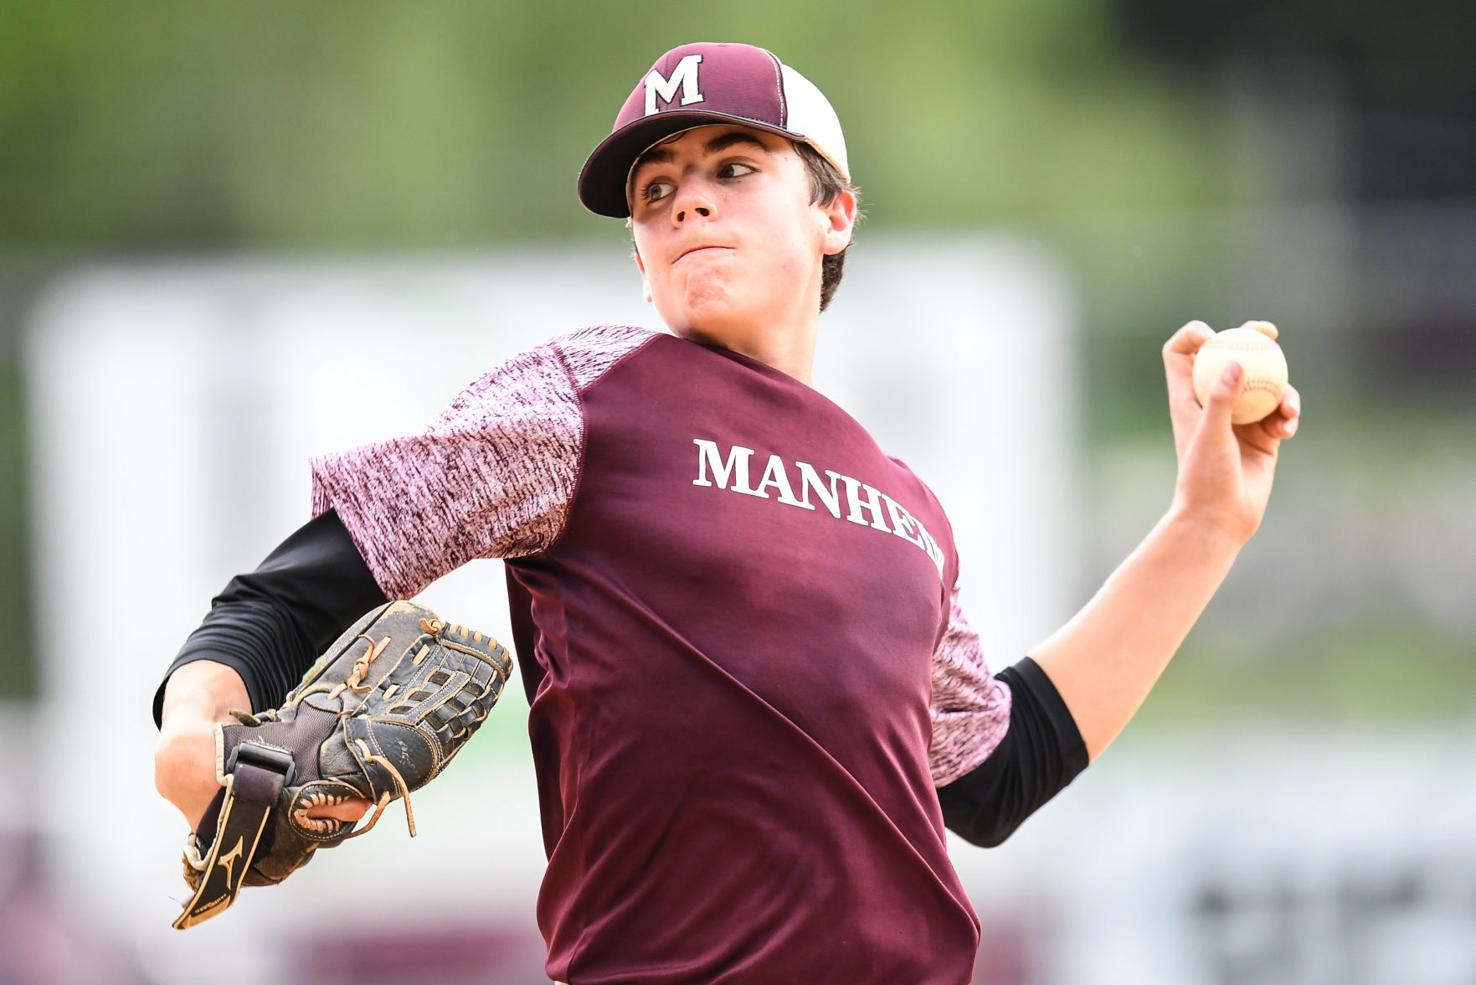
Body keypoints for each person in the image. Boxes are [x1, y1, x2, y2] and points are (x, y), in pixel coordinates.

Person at [152, 41, 1301, 984]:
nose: (687, 199)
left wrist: (1205, 527)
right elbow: (298, 588)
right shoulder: (584, 400)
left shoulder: (904, 507)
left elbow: (991, 777)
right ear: (641, 257)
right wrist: (200, 718)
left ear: (834, 212)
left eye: (734, 166)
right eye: (656, 193)